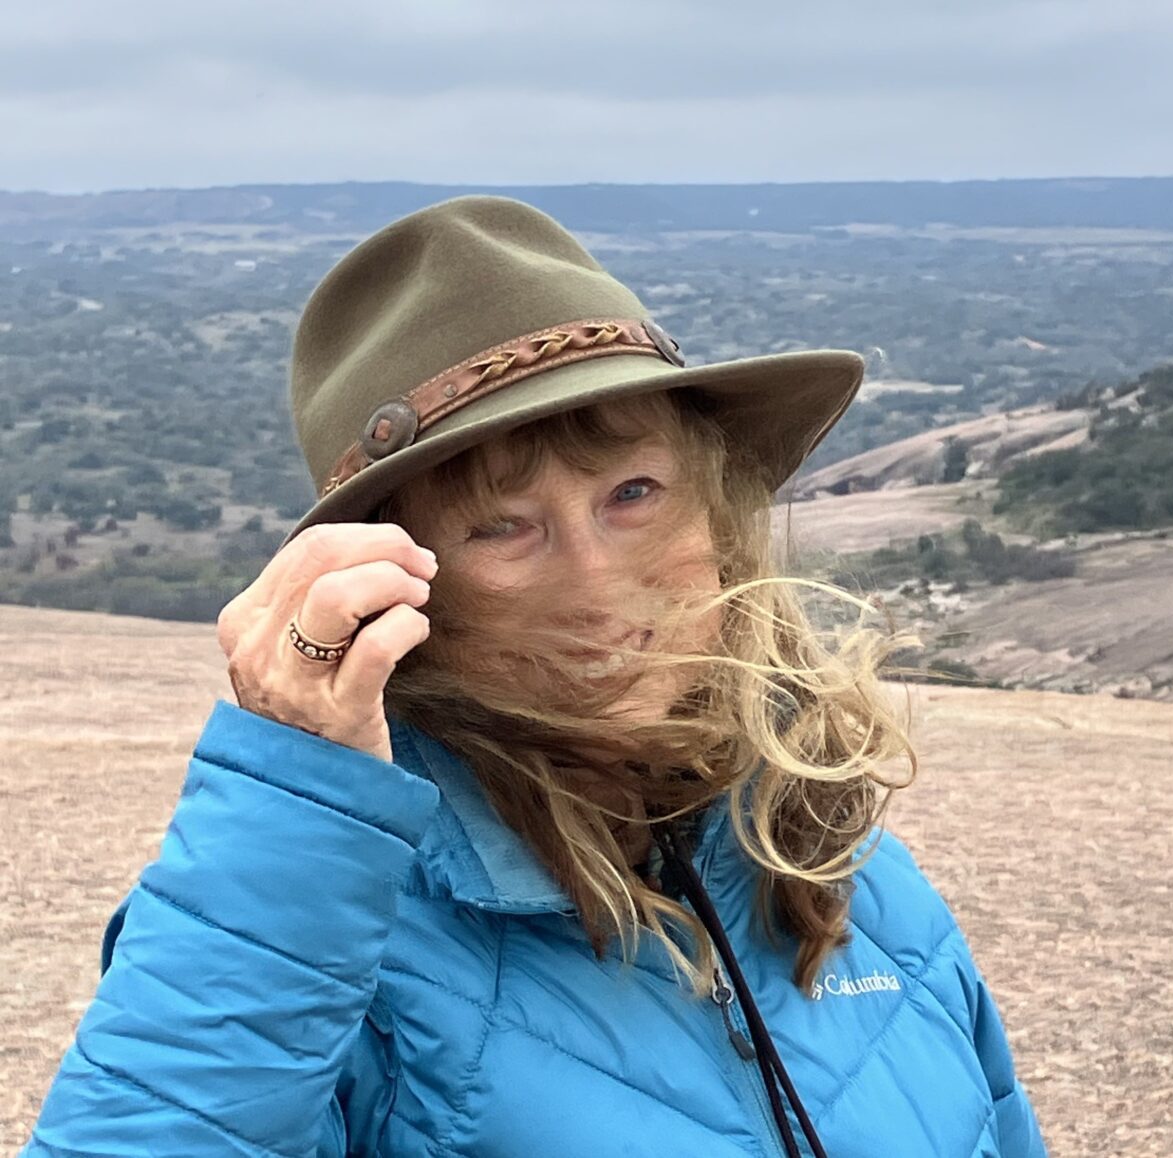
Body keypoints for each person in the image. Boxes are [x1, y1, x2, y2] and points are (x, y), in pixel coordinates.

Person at [21, 196, 1046, 1157]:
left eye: (634, 492)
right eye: (500, 527)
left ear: (719, 510)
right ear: (395, 585)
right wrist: (296, 799)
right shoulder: (330, 930)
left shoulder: (844, 868)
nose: (597, 587)